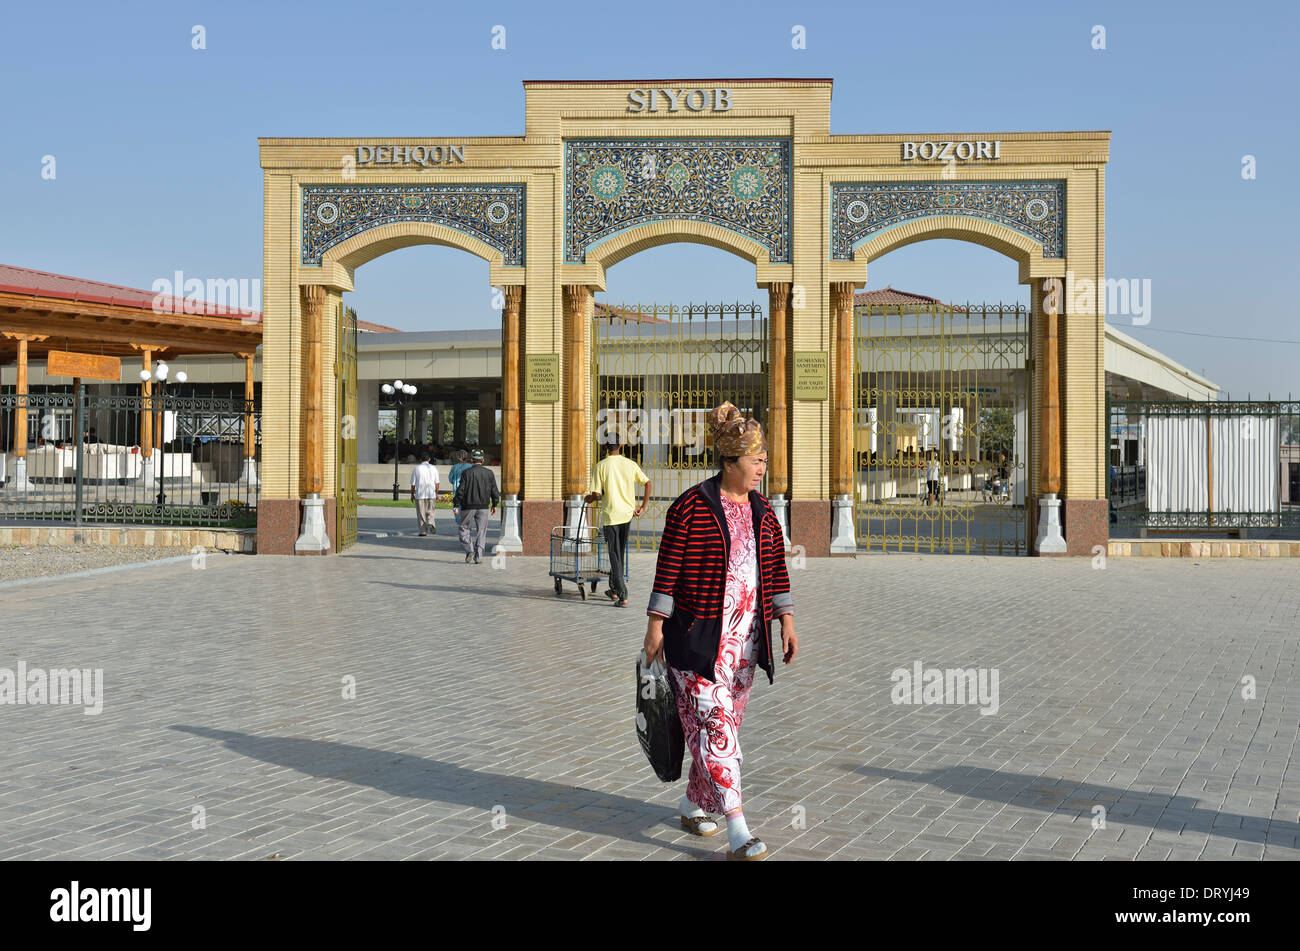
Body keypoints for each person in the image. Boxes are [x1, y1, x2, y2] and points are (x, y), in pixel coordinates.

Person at [643, 401, 798, 861]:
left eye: (765, 460)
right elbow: (667, 569)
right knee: (718, 734)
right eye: (756, 461)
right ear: (729, 462)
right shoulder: (691, 506)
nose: (762, 468)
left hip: (746, 647)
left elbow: (776, 567)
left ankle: (694, 804)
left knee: (719, 732)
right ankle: (739, 831)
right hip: (696, 643)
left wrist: (786, 620)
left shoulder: (764, 511)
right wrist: (655, 626)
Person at [584, 442, 650, 608]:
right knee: (619, 553)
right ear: (620, 445)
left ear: (606, 447)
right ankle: (613, 589)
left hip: (611, 516)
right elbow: (648, 483)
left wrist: (589, 499)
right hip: (627, 515)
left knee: (614, 555)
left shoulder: (601, 466)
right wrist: (643, 507)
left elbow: (596, 494)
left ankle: (622, 594)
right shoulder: (630, 464)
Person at [453, 449, 499, 564]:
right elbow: (494, 490)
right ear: (483, 460)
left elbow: (461, 490)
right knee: (481, 531)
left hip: (468, 506)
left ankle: (469, 550)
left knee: (464, 528)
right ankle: (478, 557)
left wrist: (456, 504)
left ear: (472, 460)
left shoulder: (466, 473)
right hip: (483, 506)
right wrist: (494, 504)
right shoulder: (489, 473)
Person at [409, 452, 440, 536]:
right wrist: (436, 493)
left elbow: (413, 484)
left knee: (421, 513)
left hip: (420, 494)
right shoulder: (434, 468)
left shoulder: (416, 469)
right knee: (431, 511)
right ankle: (430, 522)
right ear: (429, 459)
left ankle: (423, 531)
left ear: (420, 460)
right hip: (431, 493)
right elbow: (437, 483)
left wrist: (412, 494)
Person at [448, 450, 473, 525]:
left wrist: (455, 482)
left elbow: (450, 479)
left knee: (457, 506)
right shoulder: (470, 466)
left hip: (457, 490)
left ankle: (460, 522)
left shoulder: (454, 467)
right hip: (468, 490)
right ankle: (466, 523)